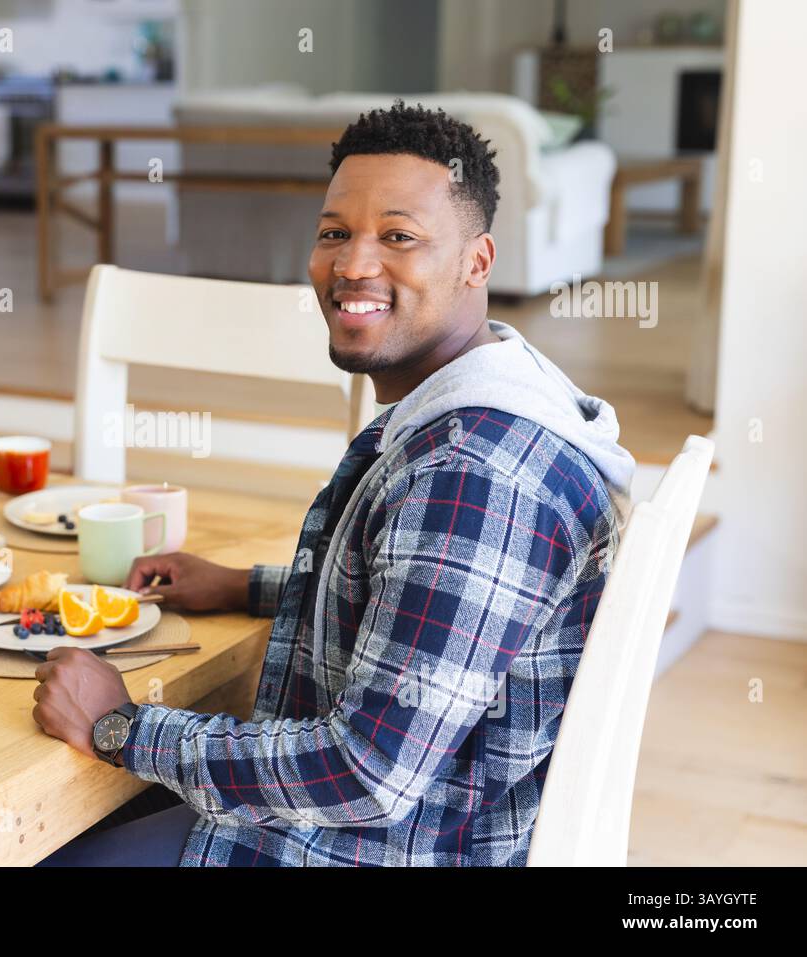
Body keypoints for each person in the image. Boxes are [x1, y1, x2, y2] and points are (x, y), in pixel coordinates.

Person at [33, 101, 635, 866]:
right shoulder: (492, 392)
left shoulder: (473, 472)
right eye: (334, 233)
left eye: (398, 236)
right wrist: (248, 585)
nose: (353, 264)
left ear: (477, 262)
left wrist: (120, 725)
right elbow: (425, 608)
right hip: (415, 820)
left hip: (381, 844)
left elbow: (366, 771)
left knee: (48, 845)